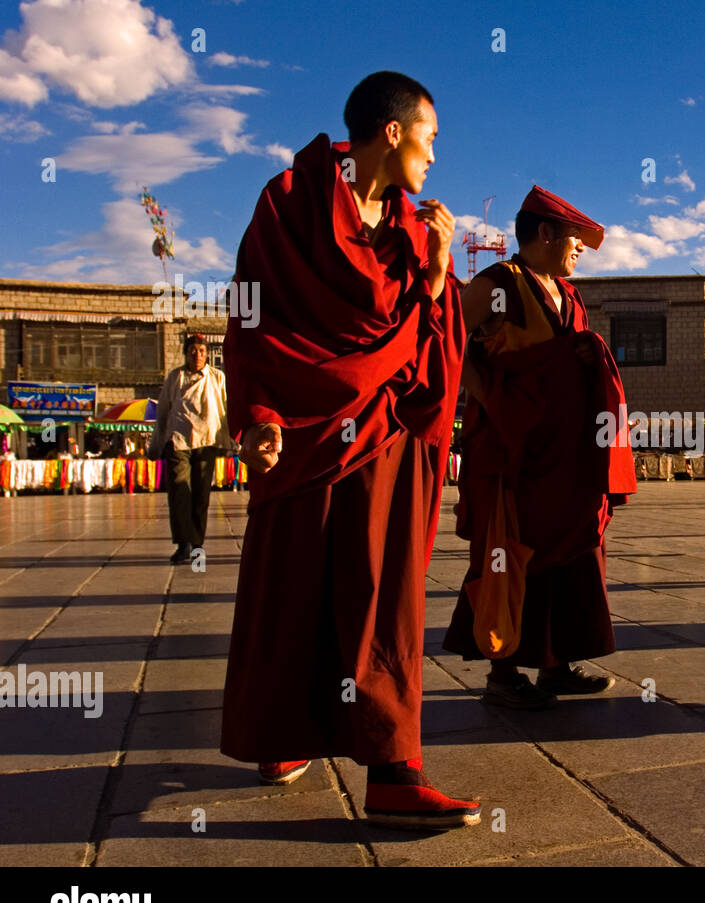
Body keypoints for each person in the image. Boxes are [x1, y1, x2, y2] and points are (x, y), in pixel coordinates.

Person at [219, 71, 478, 830]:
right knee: (292, 587)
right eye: (429, 138)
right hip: (302, 428)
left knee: (382, 593)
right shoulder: (291, 200)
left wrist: (435, 274)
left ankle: (395, 769)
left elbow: (430, 343)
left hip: (382, 432)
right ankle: (281, 731)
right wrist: (257, 413)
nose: (434, 158)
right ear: (392, 132)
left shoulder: (412, 228)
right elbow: (251, 307)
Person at [442, 186, 637, 709]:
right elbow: (447, 340)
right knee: (509, 552)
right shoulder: (499, 283)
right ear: (546, 234)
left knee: (572, 553)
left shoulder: (568, 295)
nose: (579, 250)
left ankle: (555, 664)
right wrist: (488, 400)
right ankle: (502, 673)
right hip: (515, 452)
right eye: (574, 239)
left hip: (566, 456)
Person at [148, 335, 234, 562]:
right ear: (185, 353)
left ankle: (197, 542)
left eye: (202, 351)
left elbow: (227, 409)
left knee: (200, 495)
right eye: (193, 351)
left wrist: (231, 441)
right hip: (178, 442)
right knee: (178, 492)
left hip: (207, 441)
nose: (197, 355)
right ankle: (182, 543)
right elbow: (163, 412)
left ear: (208, 355)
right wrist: (156, 445)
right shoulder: (175, 377)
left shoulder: (217, 377)